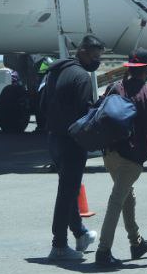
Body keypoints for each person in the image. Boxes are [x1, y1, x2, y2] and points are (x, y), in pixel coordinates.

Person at [93, 49, 147, 269]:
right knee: (116, 201)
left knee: (128, 196)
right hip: (132, 158)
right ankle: (103, 251)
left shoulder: (114, 88)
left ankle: (136, 243)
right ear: (146, 70)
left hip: (110, 154)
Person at [39, 34, 103, 261]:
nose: (98, 60)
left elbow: (42, 103)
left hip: (53, 138)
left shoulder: (55, 71)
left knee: (69, 187)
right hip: (72, 141)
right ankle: (58, 245)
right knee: (66, 192)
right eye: (96, 56)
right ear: (84, 52)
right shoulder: (81, 77)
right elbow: (85, 113)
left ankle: (80, 233)